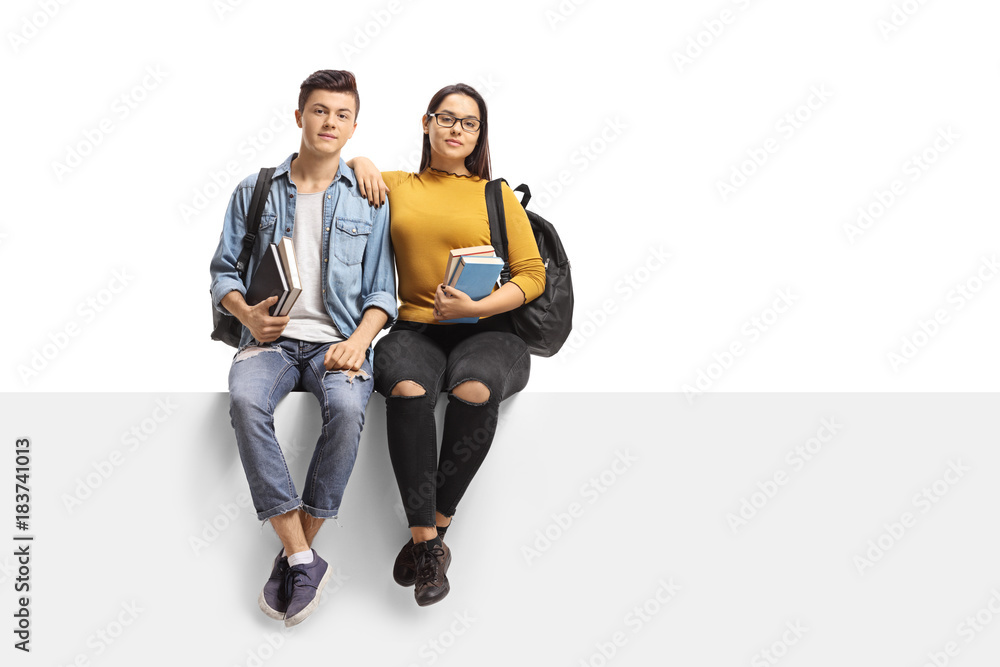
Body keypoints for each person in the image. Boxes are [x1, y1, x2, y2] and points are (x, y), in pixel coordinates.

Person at [209, 70, 395, 626]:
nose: (329, 122)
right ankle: (302, 555)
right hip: (269, 343)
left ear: (354, 126)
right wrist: (247, 315)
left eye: (341, 114)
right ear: (298, 117)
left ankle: (295, 555)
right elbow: (223, 273)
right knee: (245, 402)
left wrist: (360, 342)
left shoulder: (369, 195)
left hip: (338, 342)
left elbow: (385, 289)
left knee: (345, 408)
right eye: (319, 111)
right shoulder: (255, 189)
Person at [348, 83, 545, 606]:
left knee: (475, 390)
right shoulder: (397, 185)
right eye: (447, 118)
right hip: (415, 328)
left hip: (490, 331)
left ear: (479, 134)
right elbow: (332, 175)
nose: (457, 129)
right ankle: (428, 546)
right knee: (409, 389)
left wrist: (475, 308)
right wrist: (360, 158)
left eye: (469, 123)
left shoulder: (494, 195)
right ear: (426, 122)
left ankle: (433, 530)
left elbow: (531, 275)